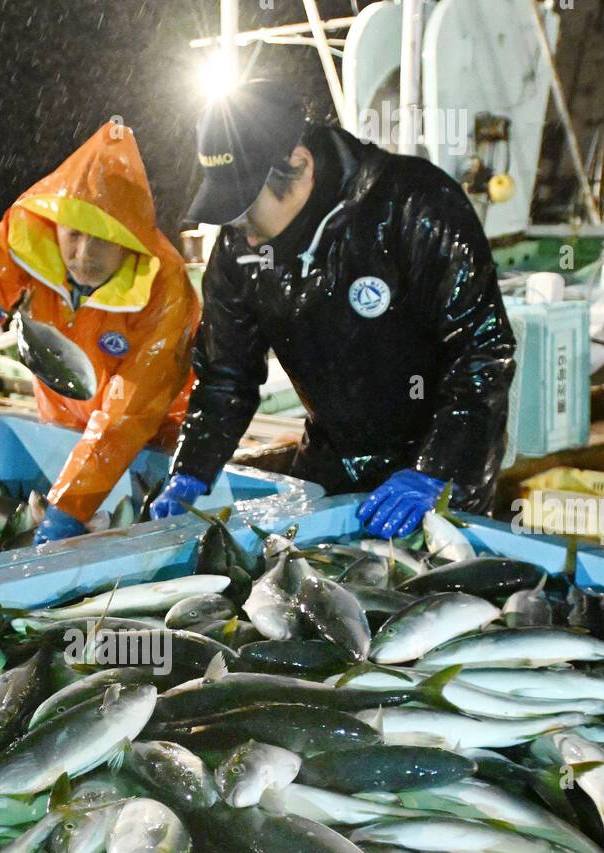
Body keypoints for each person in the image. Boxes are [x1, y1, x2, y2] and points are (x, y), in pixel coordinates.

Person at [151, 80, 517, 538]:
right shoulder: (239, 250)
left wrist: (437, 468)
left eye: (247, 208)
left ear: (299, 165)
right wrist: (192, 468)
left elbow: (481, 351)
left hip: (434, 464)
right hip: (328, 457)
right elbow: (227, 373)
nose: (241, 234)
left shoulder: (415, 203)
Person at [0, 122, 200, 544]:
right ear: (54, 222)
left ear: (129, 242)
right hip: (60, 425)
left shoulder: (165, 289)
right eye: (73, 234)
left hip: (155, 439)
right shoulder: (34, 237)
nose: (82, 256)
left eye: (101, 241)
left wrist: (71, 506)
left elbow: (128, 414)